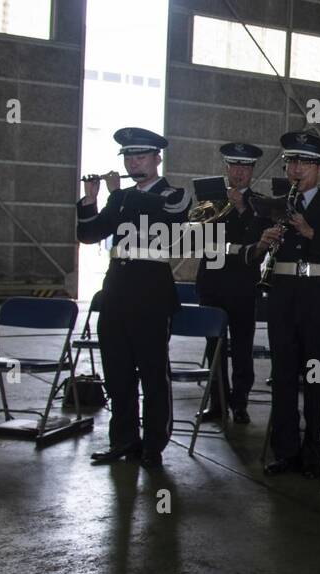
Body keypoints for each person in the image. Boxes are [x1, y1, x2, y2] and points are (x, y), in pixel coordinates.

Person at [77, 127, 191, 468]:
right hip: (116, 291)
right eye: (128, 156)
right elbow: (89, 233)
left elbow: (162, 219)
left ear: (157, 158)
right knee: (118, 371)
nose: (133, 162)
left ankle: (154, 444)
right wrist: (90, 199)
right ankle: (124, 439)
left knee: (153, 372)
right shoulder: (121, 197)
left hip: (152, 293)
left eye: (140, 156)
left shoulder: (175, 194)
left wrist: (120, 194)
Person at [252, 132, 320, 480]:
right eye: (292, 162)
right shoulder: (277, 204)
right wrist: (265, 242)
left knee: (314, 378)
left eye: (304, 163)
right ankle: (285, 451)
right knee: (282, 378)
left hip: (316, 299)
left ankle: (312, 454)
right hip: (282, 296)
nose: (296, 169)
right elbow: (259, 250)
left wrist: (312, 233)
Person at [196, 142, 269, 426]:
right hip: (212, 281)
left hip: (242, 283)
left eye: (245, 167)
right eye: (234, 166)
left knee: (241, 347)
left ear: (252, 170)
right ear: (226, 168)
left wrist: (241, 210)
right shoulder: (210, 200)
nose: (239, 172)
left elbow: (259, 240)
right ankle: (217, 403)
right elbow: (199, 237)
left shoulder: (261, 203)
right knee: (213, 347)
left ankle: (240, 403)